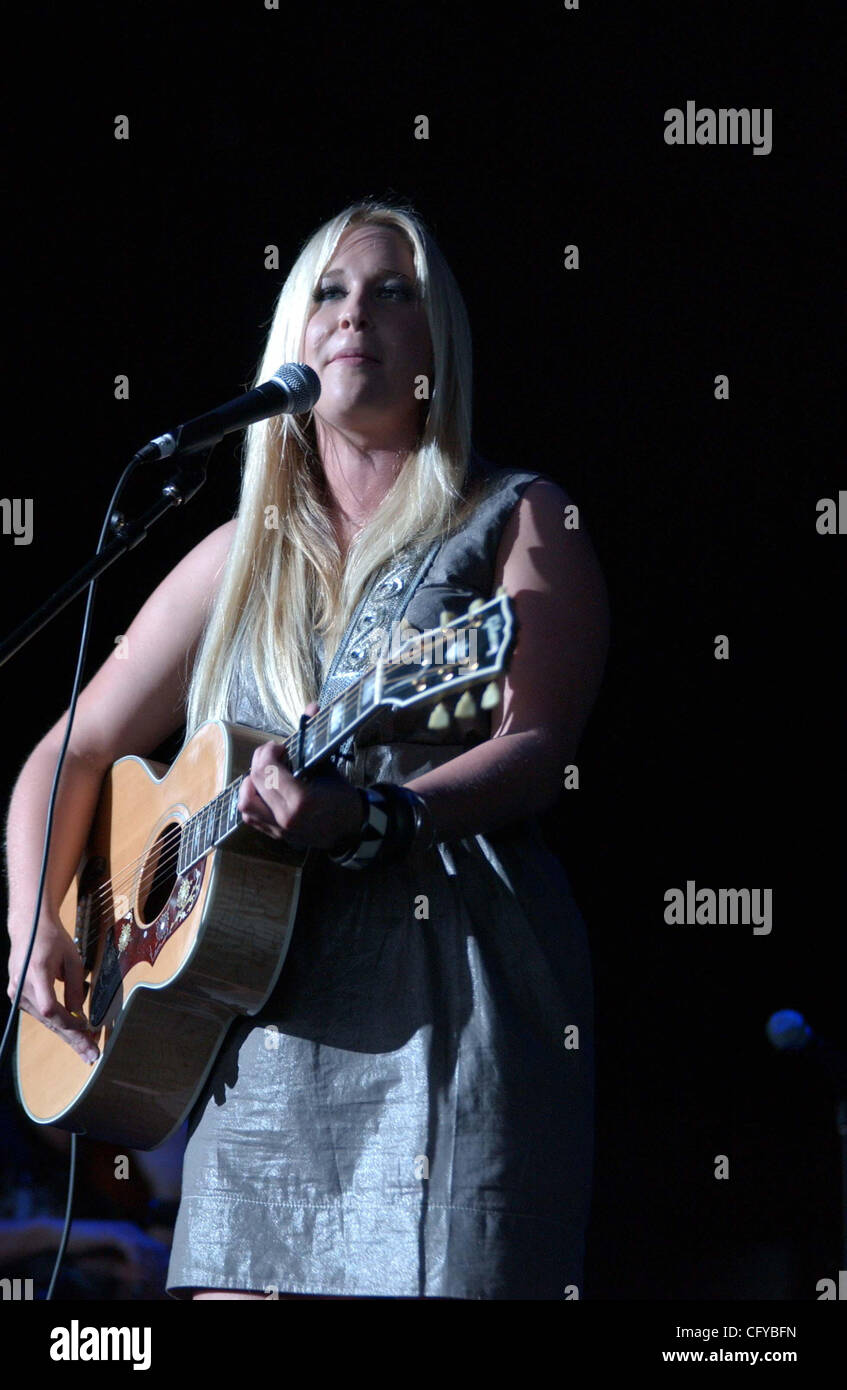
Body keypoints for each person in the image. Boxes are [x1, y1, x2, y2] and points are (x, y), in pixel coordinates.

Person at [5, 197, 609, 1300]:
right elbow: (67, 751)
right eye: (327, 291)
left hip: (447, 1007)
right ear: (290, 338)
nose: (353, 316)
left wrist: (381, 813)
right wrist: (36, 917)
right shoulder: (237, 554)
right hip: (255, 1047)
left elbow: (536, 740)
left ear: (440, 343)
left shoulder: (516, 517)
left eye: (392, 293)